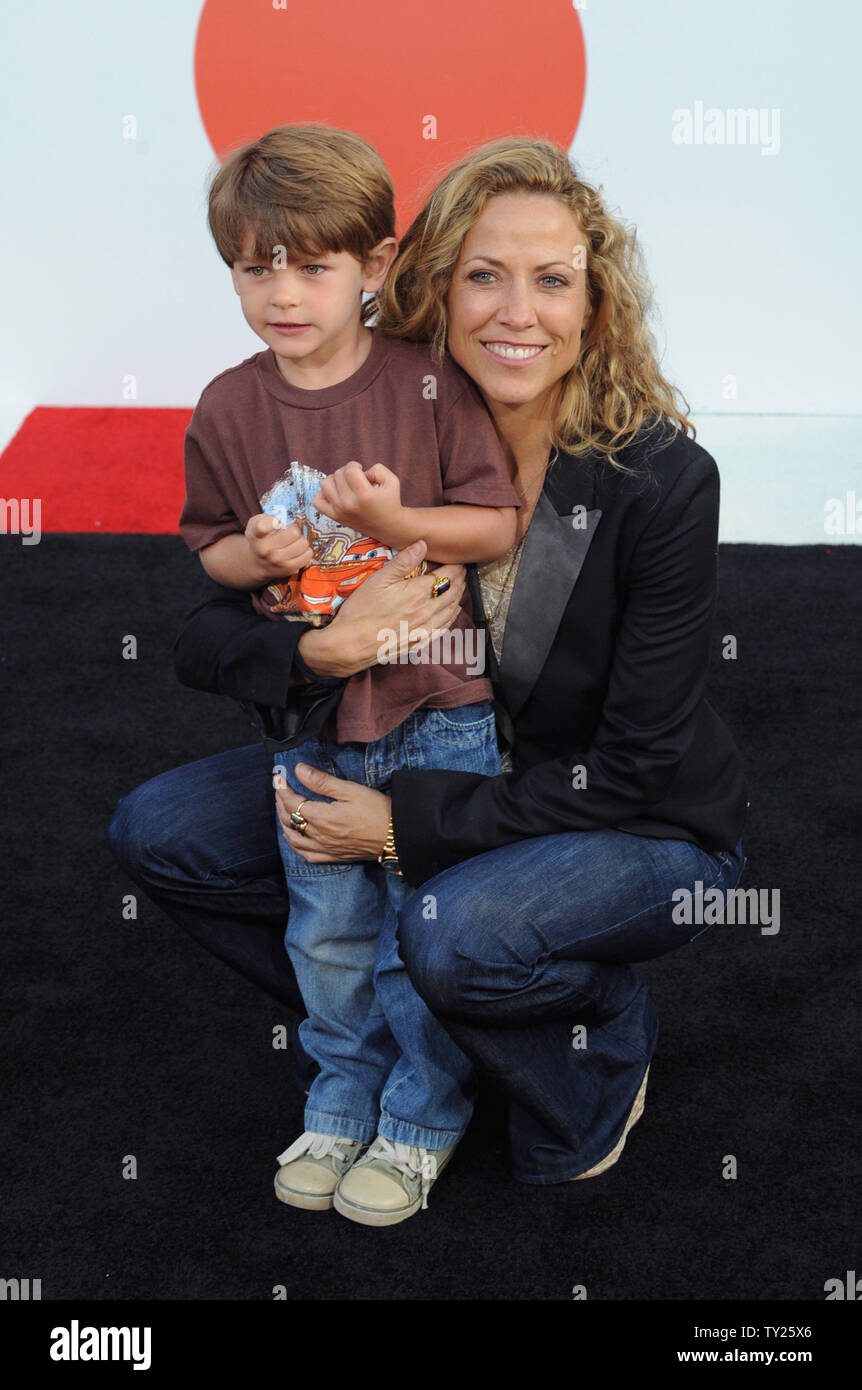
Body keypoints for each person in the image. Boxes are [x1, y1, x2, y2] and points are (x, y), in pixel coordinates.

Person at [109, 134, 748, 1201]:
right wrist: (325, 647)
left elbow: (633, 766)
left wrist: (400, 828)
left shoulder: (660, 480)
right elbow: (203, 637)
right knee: (161, 831)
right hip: (405, 748)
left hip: (629, 818)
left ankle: (589, 1037)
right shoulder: (385, 411)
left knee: (447, 934)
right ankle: (421, 1043)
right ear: (434, 283)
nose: (515, 312)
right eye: (482, 276)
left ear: (594, 303)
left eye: (551, 281)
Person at [177, 123, 522, 1226]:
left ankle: (421, 1116)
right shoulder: (229, 406)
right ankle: (340, 1095)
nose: (283, 291)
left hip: (438, 708)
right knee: (325, 929)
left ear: (373, 267)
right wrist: (257, 556)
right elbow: (210, 551)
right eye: (255, 265)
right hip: (316, 713)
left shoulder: (428, 382)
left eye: (313, 264)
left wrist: (390, 521)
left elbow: (496, 519)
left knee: (416, 925)